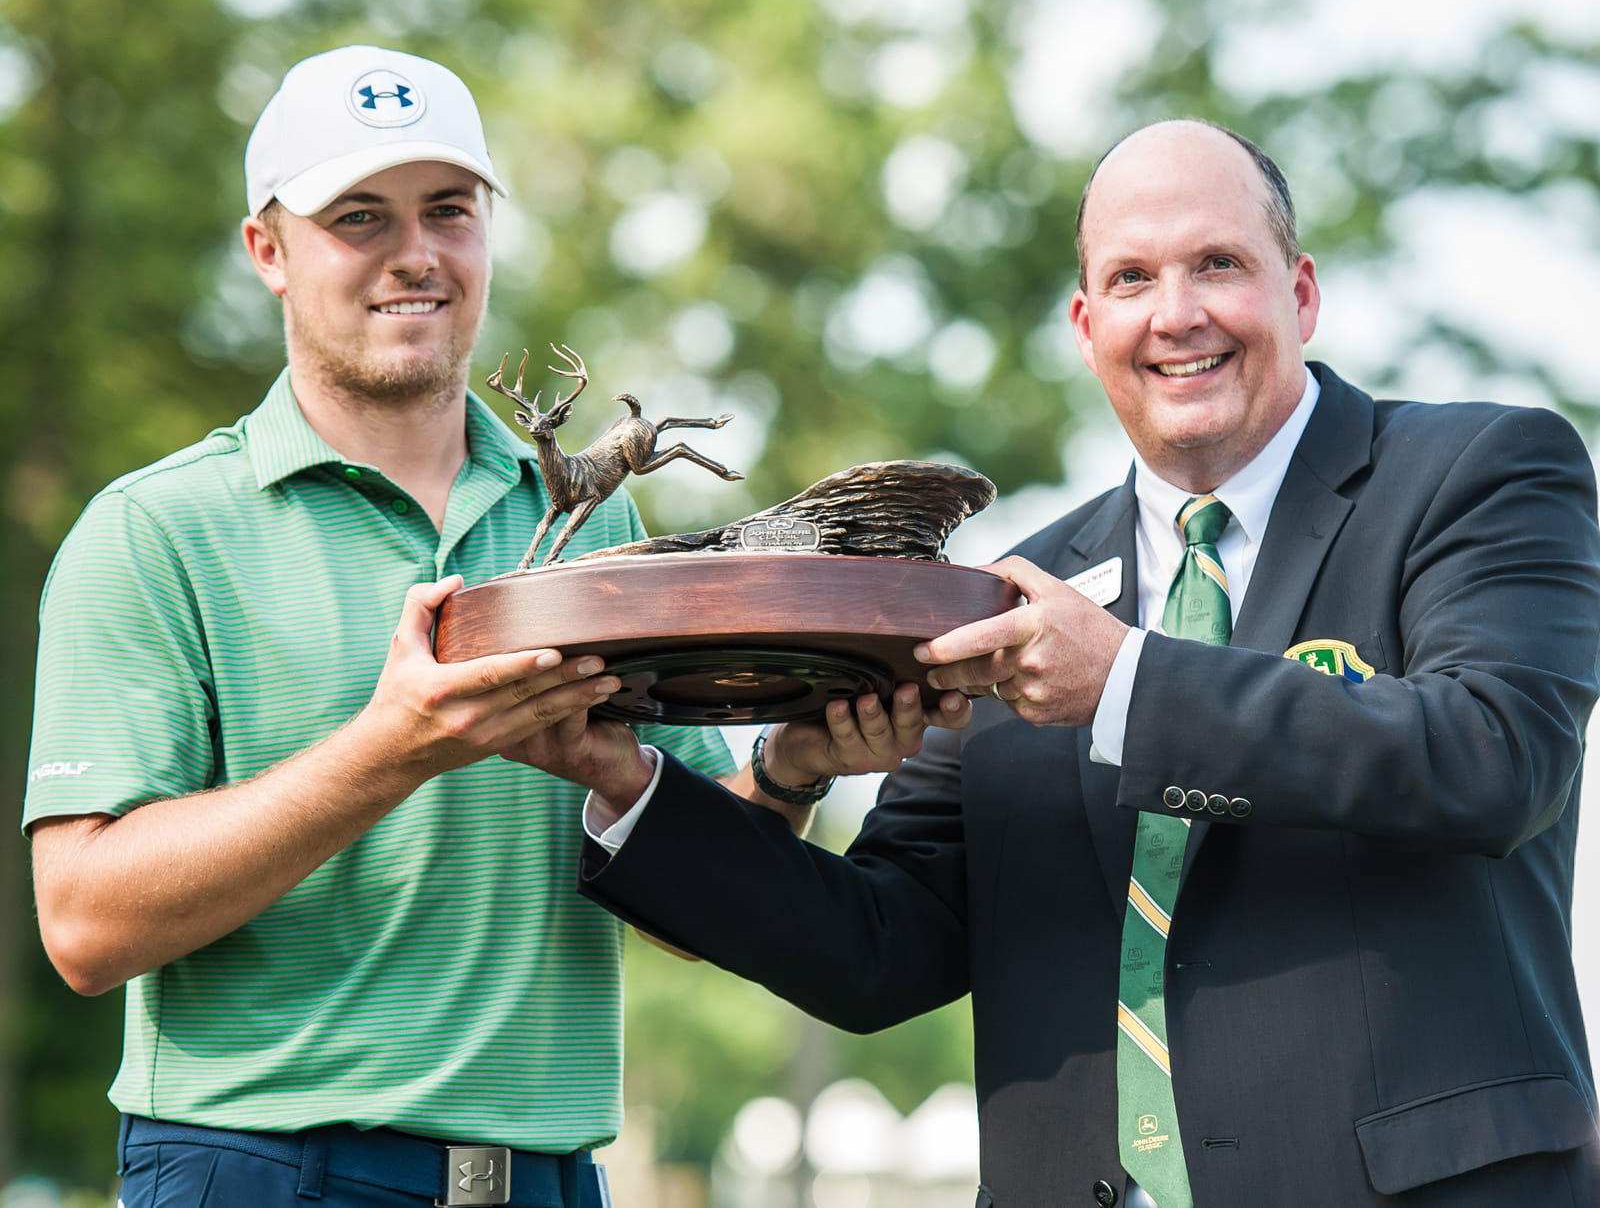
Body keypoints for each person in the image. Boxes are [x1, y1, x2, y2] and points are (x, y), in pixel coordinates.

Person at [524, 120, 1600, 1206]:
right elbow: (883, 950)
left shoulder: (1484, 468)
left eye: (1216, 263)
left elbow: (1495, 755)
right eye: (1131, 277)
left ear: (1301, 291)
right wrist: (688, 782)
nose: (1176, 314)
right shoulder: (1010, 589)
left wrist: (1126, 683)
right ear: (1087, 327)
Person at [22, 45, 947, 1208]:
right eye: (358, 217)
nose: (414, 253)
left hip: (551, 1179)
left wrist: (793, 768)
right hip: (261, 1168)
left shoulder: (592, 530)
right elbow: (85, 923)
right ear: (268, 250)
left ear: (487, 229)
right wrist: (393, 744)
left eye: (447, 211)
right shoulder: (154, 532)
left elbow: (688, 915)